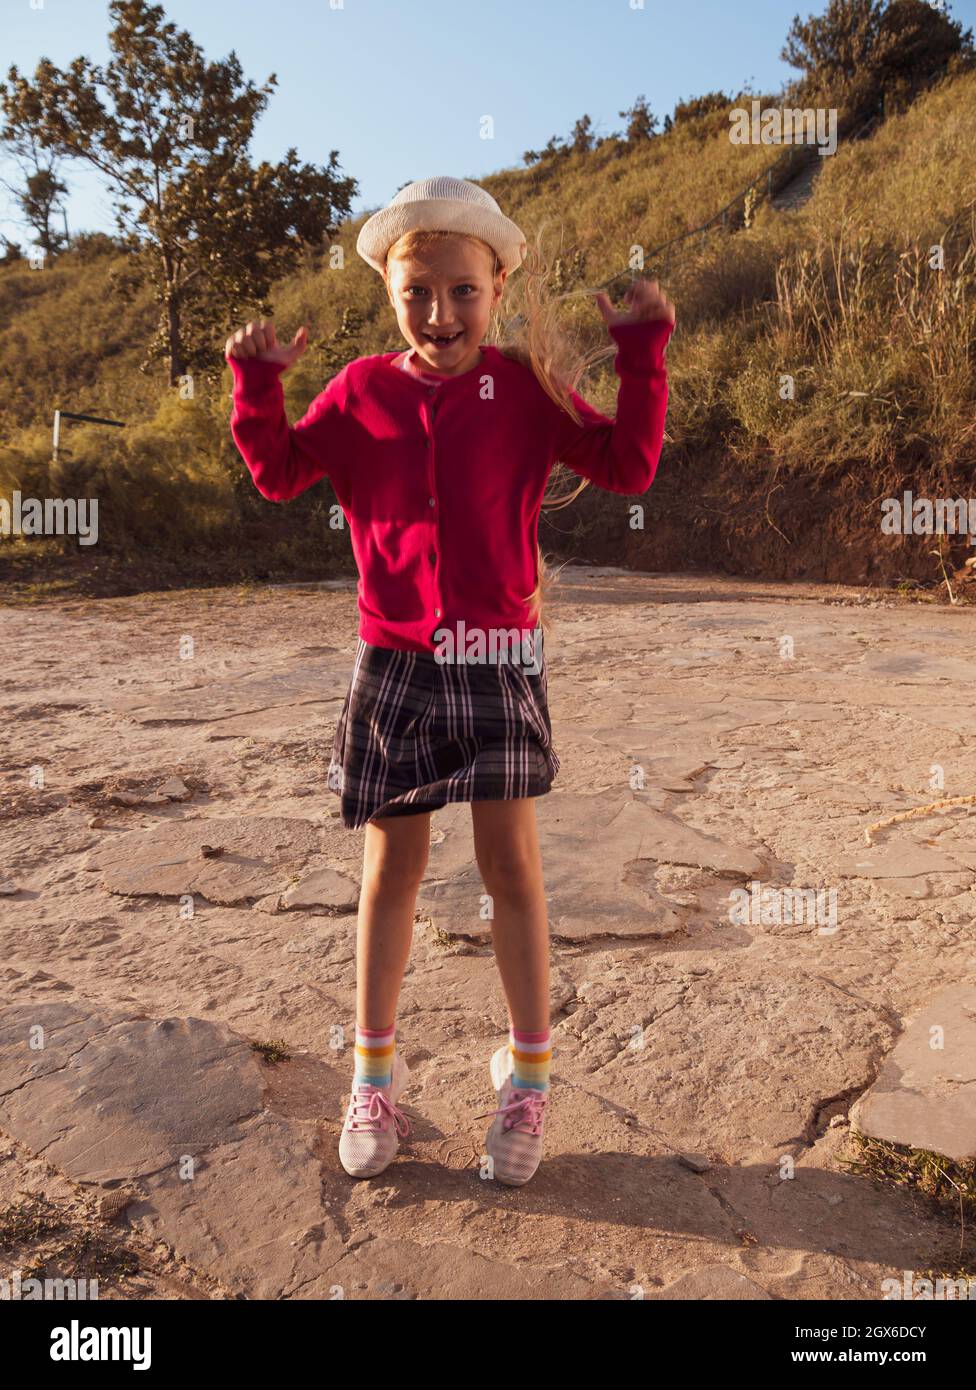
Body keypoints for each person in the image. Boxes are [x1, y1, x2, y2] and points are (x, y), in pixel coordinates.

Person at [224, 175, 676, 1186]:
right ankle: (372, 1077)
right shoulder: (359, 391)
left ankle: (526, 1082)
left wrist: (643, 355)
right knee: (393, 873)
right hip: (394, 660)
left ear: (497, 288)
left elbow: (628, 465)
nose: (439, 315)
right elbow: (280, 472)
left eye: (462, 292)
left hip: (499, 657)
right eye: (416, 291)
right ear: (389, 290)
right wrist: (258, 388)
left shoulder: (522, 387)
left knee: (511, 872)